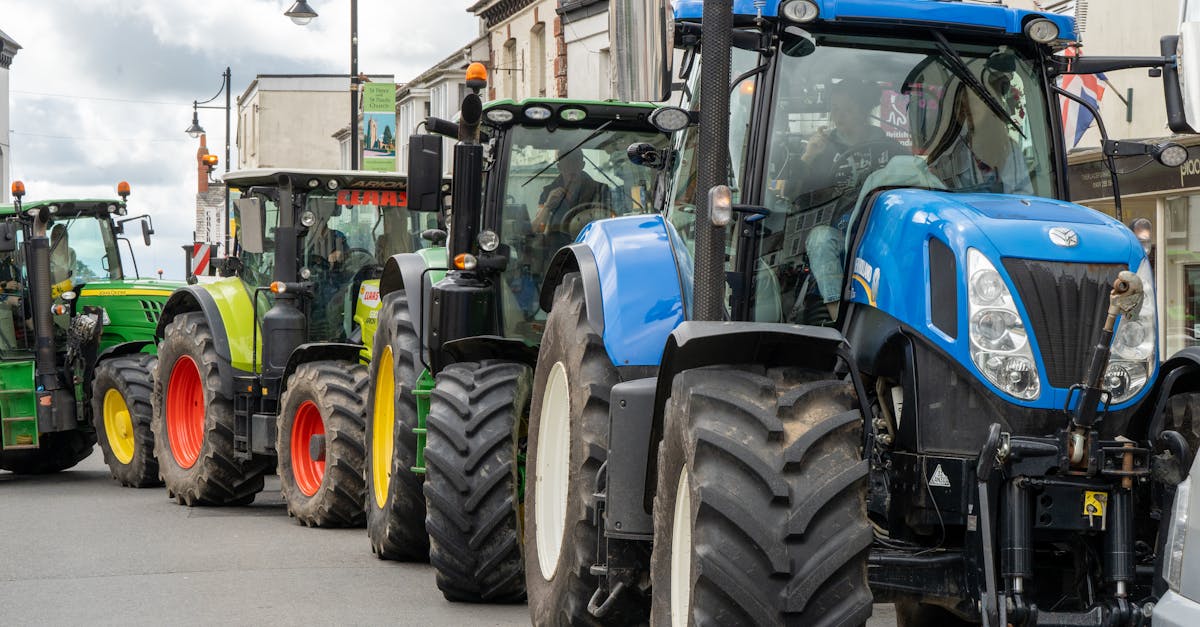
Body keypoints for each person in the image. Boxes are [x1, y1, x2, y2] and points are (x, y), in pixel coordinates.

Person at [789, 79, 907, 323]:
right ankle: (841, 320)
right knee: (820, 238)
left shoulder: (890, 148)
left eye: (847, 109)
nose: (838, 116)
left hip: (883, 231)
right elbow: (793, 195)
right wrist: (809, 156)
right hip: (839, 233)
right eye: (835, 108)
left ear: (864, 111)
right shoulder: (822, 148)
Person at [532, 149, 610, 235]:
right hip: (555, 246)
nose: (572, 168)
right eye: (567, 164)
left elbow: (609, 225)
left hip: (590, 242)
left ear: (582, 165)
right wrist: (547, 206)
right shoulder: (548, 192)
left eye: (575, 163)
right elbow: (536, 229)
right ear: (559, 167)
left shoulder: (600, 190)